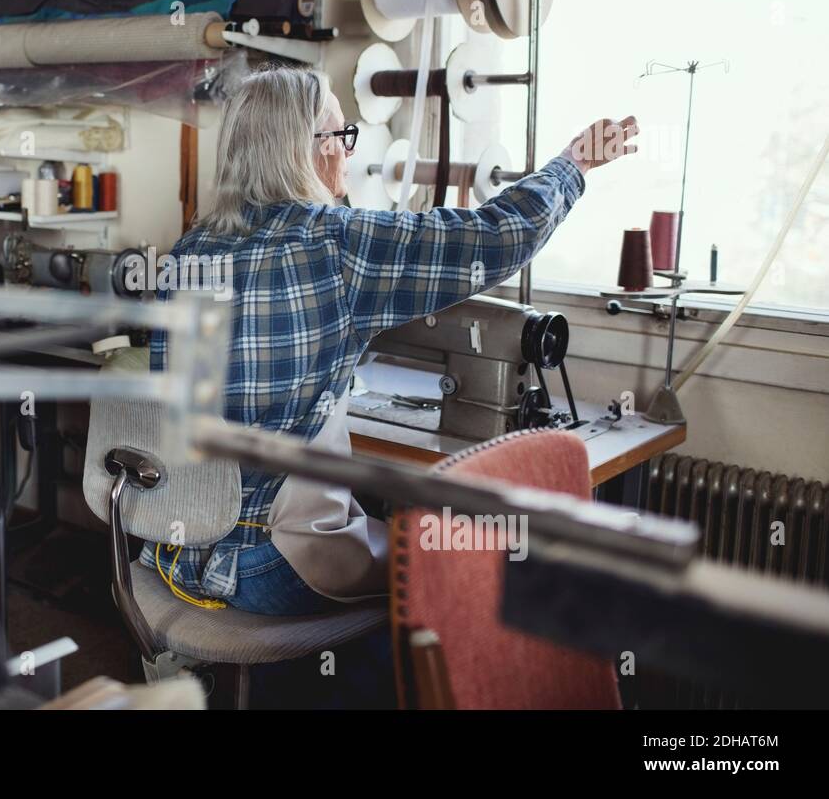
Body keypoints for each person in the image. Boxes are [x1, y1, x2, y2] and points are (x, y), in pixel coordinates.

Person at [147, 64, 638, 615]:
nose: (348, 153)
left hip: (174, 546)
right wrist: (573, 166)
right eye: (340, 135)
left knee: (392, 527)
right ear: (302, 150)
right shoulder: (335, 243)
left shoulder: (189, 251)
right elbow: (498, 236)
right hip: (267, 564)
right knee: (476, 561)